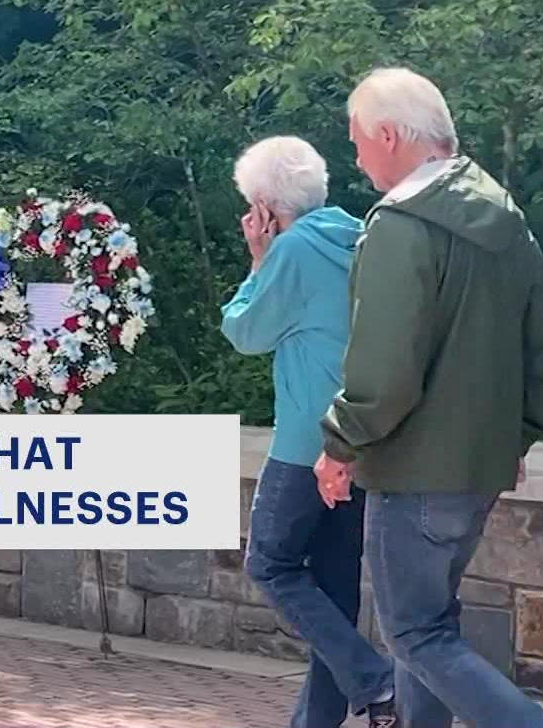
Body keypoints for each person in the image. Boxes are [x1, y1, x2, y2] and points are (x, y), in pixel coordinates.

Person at [317, 67, 543, 728]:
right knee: (431, 626)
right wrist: (513, 440)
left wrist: (339, 442)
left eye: (359, 141)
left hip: (412, 473)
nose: (358, 157)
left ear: (391, 135)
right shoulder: (507, 220)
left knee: (414, 636)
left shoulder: (400, 225)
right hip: (476, 473)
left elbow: (383, 369)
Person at [222, 136, 397, 728]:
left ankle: (376, 679)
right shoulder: (364, 236)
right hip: (360, 437)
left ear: (266, 204)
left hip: (305, 444)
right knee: (335, 589)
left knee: (269, 564)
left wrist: (258, 259)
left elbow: (245, 331)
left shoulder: (293, 251)